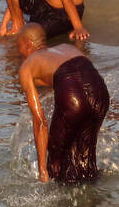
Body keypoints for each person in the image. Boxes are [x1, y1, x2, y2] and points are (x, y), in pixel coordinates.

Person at [15, 23, 111, 183]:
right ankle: (91, 203)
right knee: (85, 161)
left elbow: (40, 122)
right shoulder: (67, 47)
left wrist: (43, 171)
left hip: (72, 92)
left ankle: (61, 203)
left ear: (28, 45)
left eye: (19, 48)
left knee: (56, 164)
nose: (20, 54)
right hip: (99, 91)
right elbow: (82, 76)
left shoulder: (27, 66)